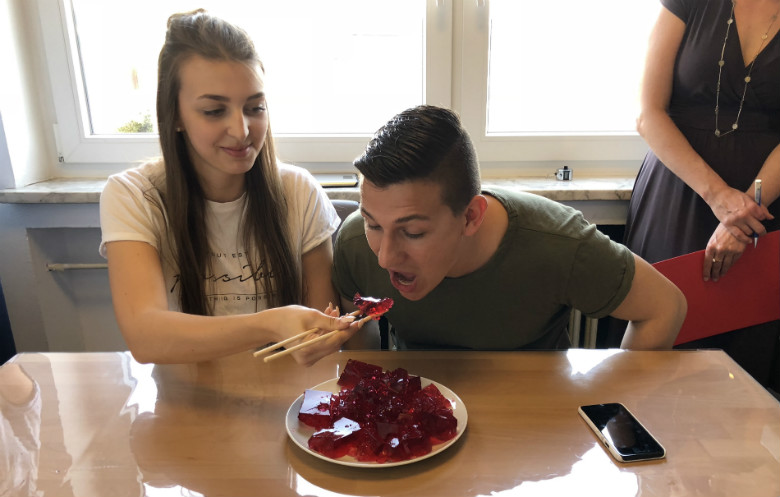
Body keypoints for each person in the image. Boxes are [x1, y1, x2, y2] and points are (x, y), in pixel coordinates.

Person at [100, 10, 361, 365]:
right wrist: (272, 324)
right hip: (185, 400)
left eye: (255, 107)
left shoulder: (298, 191)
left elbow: (315, 338)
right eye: (213, 111)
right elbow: (146, 338)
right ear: (174, 114)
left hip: (284, 401)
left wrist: (324, 336)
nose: (241, 131)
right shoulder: (134, 196)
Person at [333, 105, 686, 351]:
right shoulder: (353, 243)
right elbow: (362, 355)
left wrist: (614, 412)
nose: (385, 257)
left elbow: (665, 307)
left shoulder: (560, 244)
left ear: (470, 217)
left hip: (535, 423)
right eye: (373, 224)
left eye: (413, 233)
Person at [622, 0, 780, 387]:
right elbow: (648, 113)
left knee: (746, 368)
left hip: (767, 207)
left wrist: (748, 210)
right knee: (654, 354)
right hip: (675, 198)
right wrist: (719, 197)